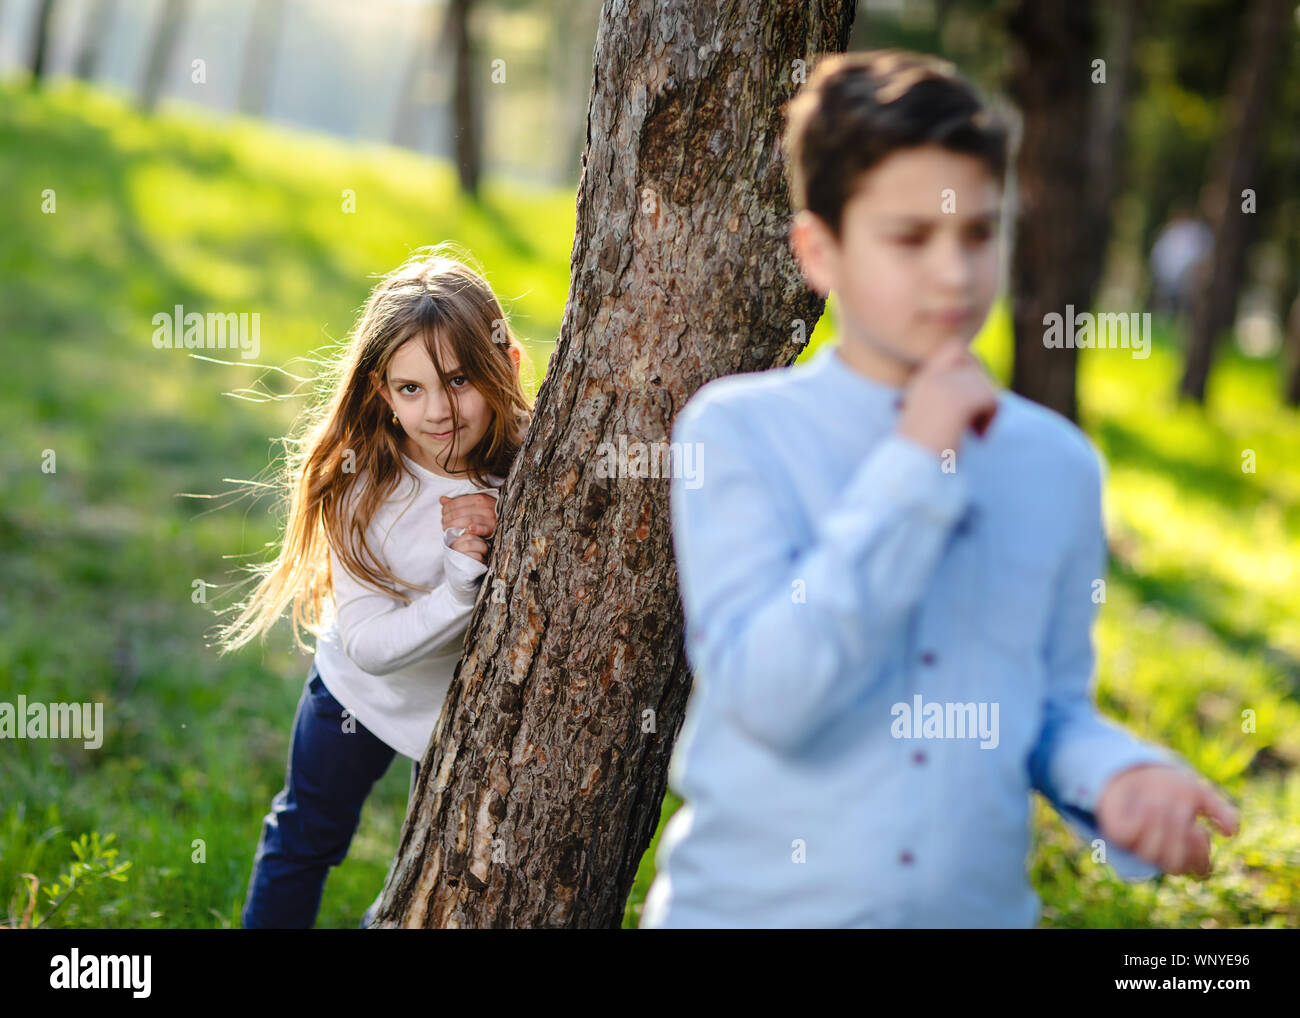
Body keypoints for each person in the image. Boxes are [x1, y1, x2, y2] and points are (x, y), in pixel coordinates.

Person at [640, 50, 1238, 929]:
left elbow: (1045, 708)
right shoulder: (737, 434)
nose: (955, 274)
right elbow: (771, 697)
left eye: (979, 234)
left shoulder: (1058, 465)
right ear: (820, 251)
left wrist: (1116, 776)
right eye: (911, 238)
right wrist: (916, 463)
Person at [216, 245, 533, 928]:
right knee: (305, 838)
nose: (439, 411)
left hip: (458, 718)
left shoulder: (534, 466)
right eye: (411, 388)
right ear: (382, 393)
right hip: (353, 697)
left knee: (441, 868)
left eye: (459, 380)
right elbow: (367, 646)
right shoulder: (363, 486)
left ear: (505, 365)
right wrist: (460, 589)